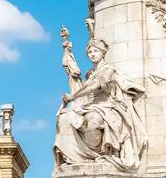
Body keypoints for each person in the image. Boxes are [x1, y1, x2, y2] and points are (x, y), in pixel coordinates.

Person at [54, 37, 146, 171]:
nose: (92, 54)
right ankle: (77, 156)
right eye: (90, 52)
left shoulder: (108, 70)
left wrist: (73, 96)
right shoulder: (90, 73)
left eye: (95, 51)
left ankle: (97, 154)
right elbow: (86, 88)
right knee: (64, 118)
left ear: (103, 53)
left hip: (108, 106)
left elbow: (94, 86)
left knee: (93, 120)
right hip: (91, 106)